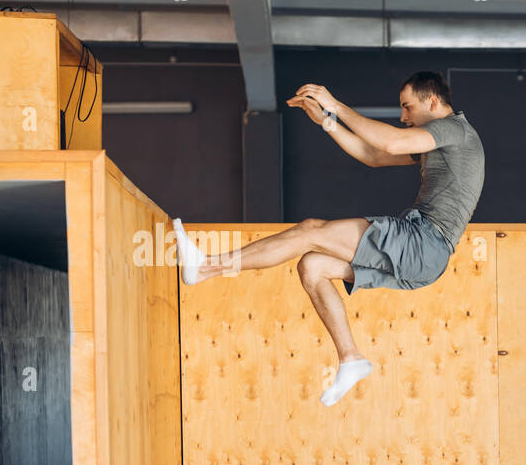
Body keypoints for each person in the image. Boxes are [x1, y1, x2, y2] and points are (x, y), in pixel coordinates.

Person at [172, 71, 485, 406]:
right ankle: (350, 358)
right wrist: (327, 121)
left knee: (310, 231)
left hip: (423, 242)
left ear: (433, 101)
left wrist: (336, 103)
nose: (403, 116)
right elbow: (375, 155)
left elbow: (390, 142)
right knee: (314, 266)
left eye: (407, 107)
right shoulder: (438, 142)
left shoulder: (454, 130)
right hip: (425, 260)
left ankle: (205, 268)